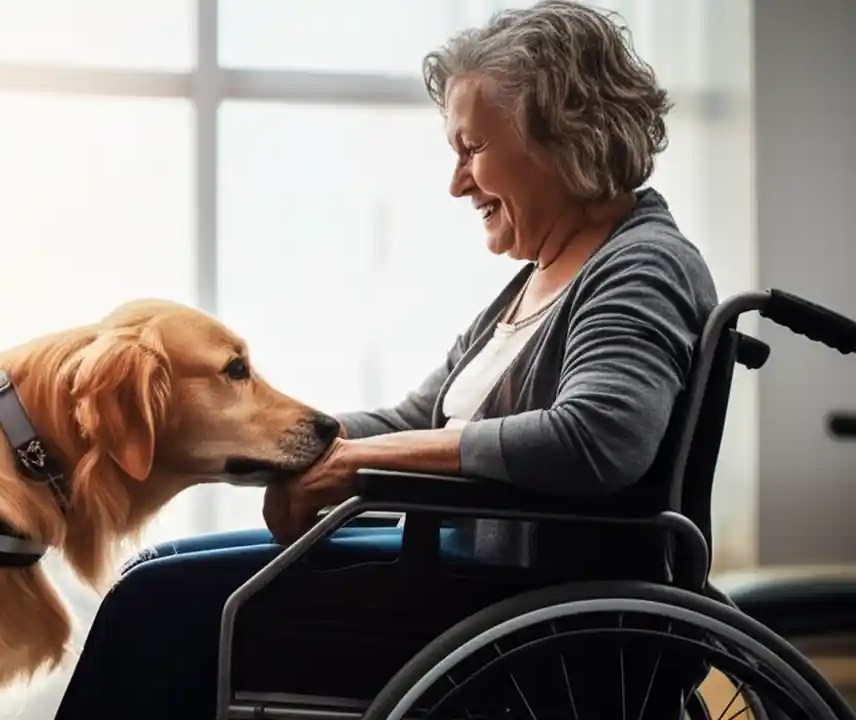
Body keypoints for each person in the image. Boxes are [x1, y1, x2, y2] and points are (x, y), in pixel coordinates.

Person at [54, 2, 718, 717]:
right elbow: (416, 418)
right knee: (154, 573)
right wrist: (278, 444)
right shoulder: (541, 280)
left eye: (473, 149)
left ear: (563, 137)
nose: (457, 183)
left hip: (519, 610)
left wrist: (359, 466)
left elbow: (597, 440)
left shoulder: (642, 266)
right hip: (464, 583)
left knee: (158, 607)